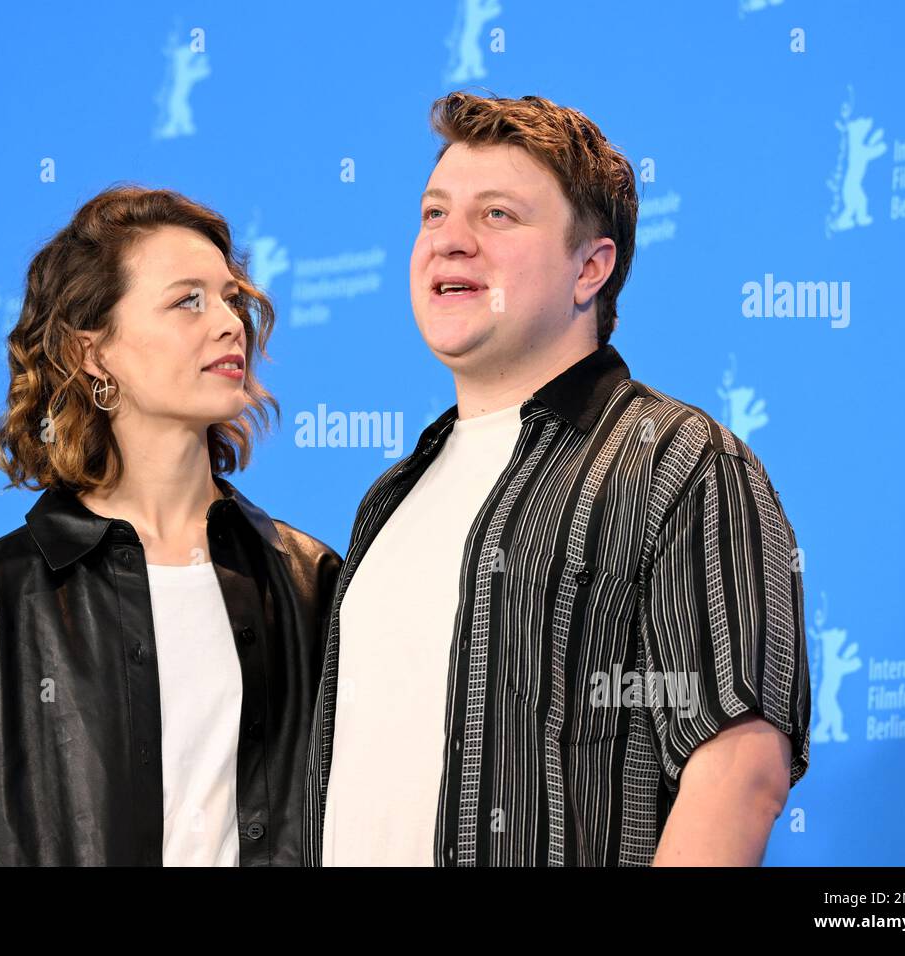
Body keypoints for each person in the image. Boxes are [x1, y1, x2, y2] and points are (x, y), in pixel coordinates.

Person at [303, 91, 811, 867]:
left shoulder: (677, 461)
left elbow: (739, 769)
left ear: (590, 267)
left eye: (497, 215)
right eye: (434, 213)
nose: (449, 241)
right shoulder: (390, 499)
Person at [0, 185, 341, 866]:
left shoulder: (313, 584)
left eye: (232, 297)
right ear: (95, 354)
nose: (231, 322)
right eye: (188, 301)